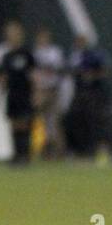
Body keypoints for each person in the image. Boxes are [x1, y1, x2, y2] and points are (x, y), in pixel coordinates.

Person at [66, 34, 112, 162]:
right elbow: (71, 72)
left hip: (96, 93)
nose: (79, 43)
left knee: (98, 122)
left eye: (82, 41)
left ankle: (101, 151)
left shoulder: (96, 54)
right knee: (77, 121)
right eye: (78, 41)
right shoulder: (75, 56)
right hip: (80, 93)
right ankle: (81, 152)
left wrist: (93, 75)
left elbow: (106, 71)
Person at [0, 21, 35, 164]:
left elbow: (33, 73)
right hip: (12, 93)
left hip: (24, 92)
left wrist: (36, 92)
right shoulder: (7, 56)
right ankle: (16, 155)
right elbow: (3, 76)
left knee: (24, 122)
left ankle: (25, 154)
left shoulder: (27, 54)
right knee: (13, 123)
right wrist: (0, 90)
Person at [33, 28, 67, 159]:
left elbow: (59, 71)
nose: (42, 40)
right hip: (40, 90)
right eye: (40, 37)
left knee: (55, 123)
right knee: (41, 123)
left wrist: (56, 89)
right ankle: (43, 152)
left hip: (53, 90)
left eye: (45, 37)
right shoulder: (36, 53)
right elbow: (34, 72)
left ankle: (59, 153)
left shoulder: (55, 52)